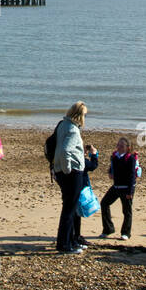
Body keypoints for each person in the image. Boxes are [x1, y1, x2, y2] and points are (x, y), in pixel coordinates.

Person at [51, 102, 89, 254]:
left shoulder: (63, 124)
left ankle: (71, 240)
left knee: (70, 208)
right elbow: (65, 150)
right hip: (71, 172)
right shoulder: (73, 130)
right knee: (69, 209)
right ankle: (64, 244)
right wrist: (67, 169)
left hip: (62, 171)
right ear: (79, 115)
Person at [100, 137, 141, 240]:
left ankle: (126, 233)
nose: (119, 147)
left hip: (127, 188)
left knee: (126, 211)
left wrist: (130, 191)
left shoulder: (130, 158)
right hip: (116, 186)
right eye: (118, 145)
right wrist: (110, 172)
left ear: (128, 148)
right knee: (104, 203)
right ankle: (108, 229)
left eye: (121, 145)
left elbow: (132, 175)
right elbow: (112, 167)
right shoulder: (114, 156)